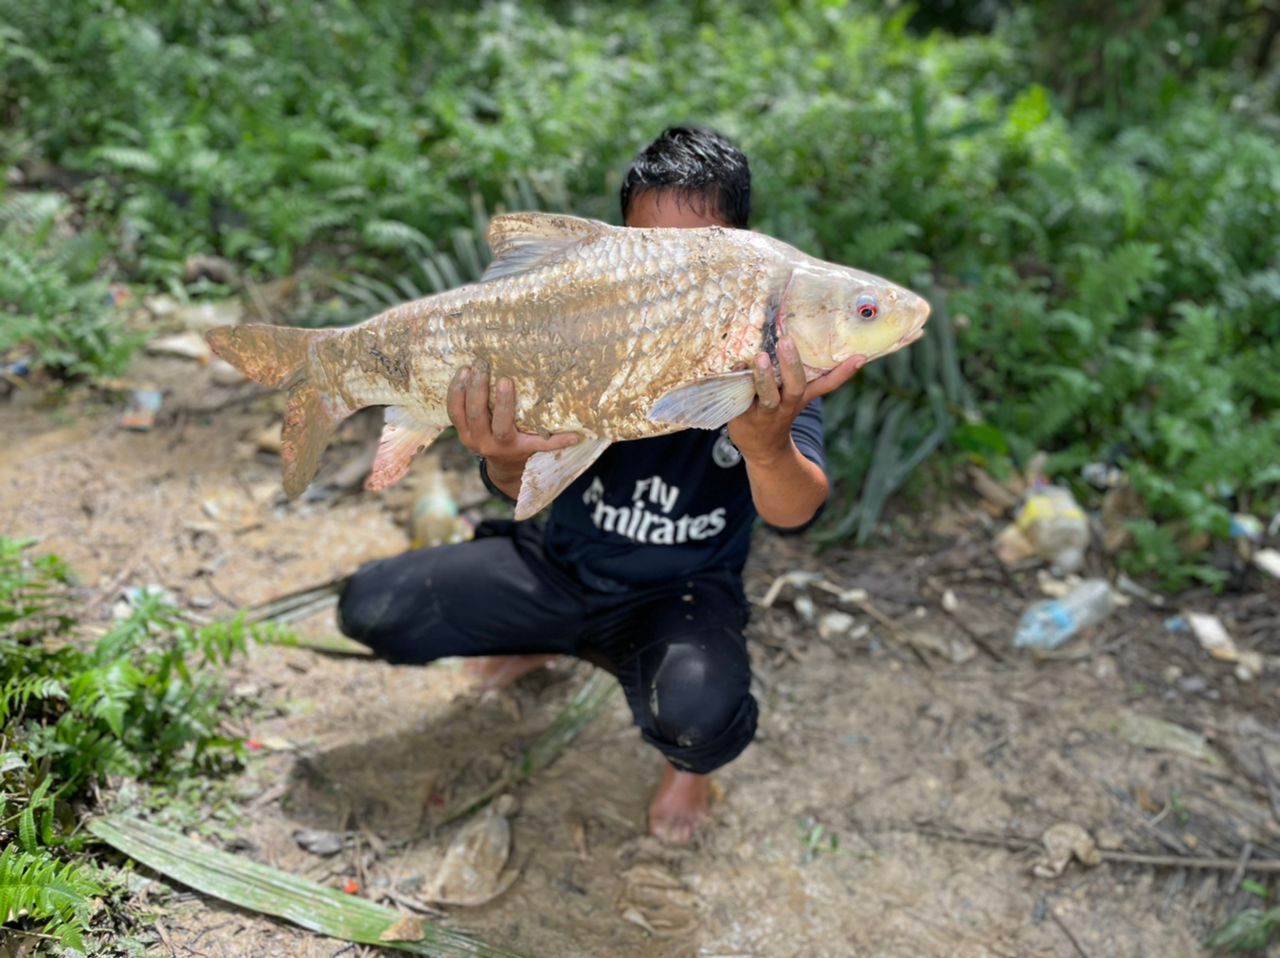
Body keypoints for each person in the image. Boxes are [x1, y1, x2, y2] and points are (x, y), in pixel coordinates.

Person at [336, 127, 864, 843]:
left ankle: (688, 770)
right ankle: (548, 637)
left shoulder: (776, 369)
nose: (673, 278)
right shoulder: (570, 326)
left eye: (698, 253)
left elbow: (795, 512)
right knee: (371, 606)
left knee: (700, 718)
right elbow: (519, 482)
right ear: (617, 242)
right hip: (559, 565)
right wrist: (498, 455)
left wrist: (767, 446)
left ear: (743, 252)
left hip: (678, 596)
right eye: (652, 252)